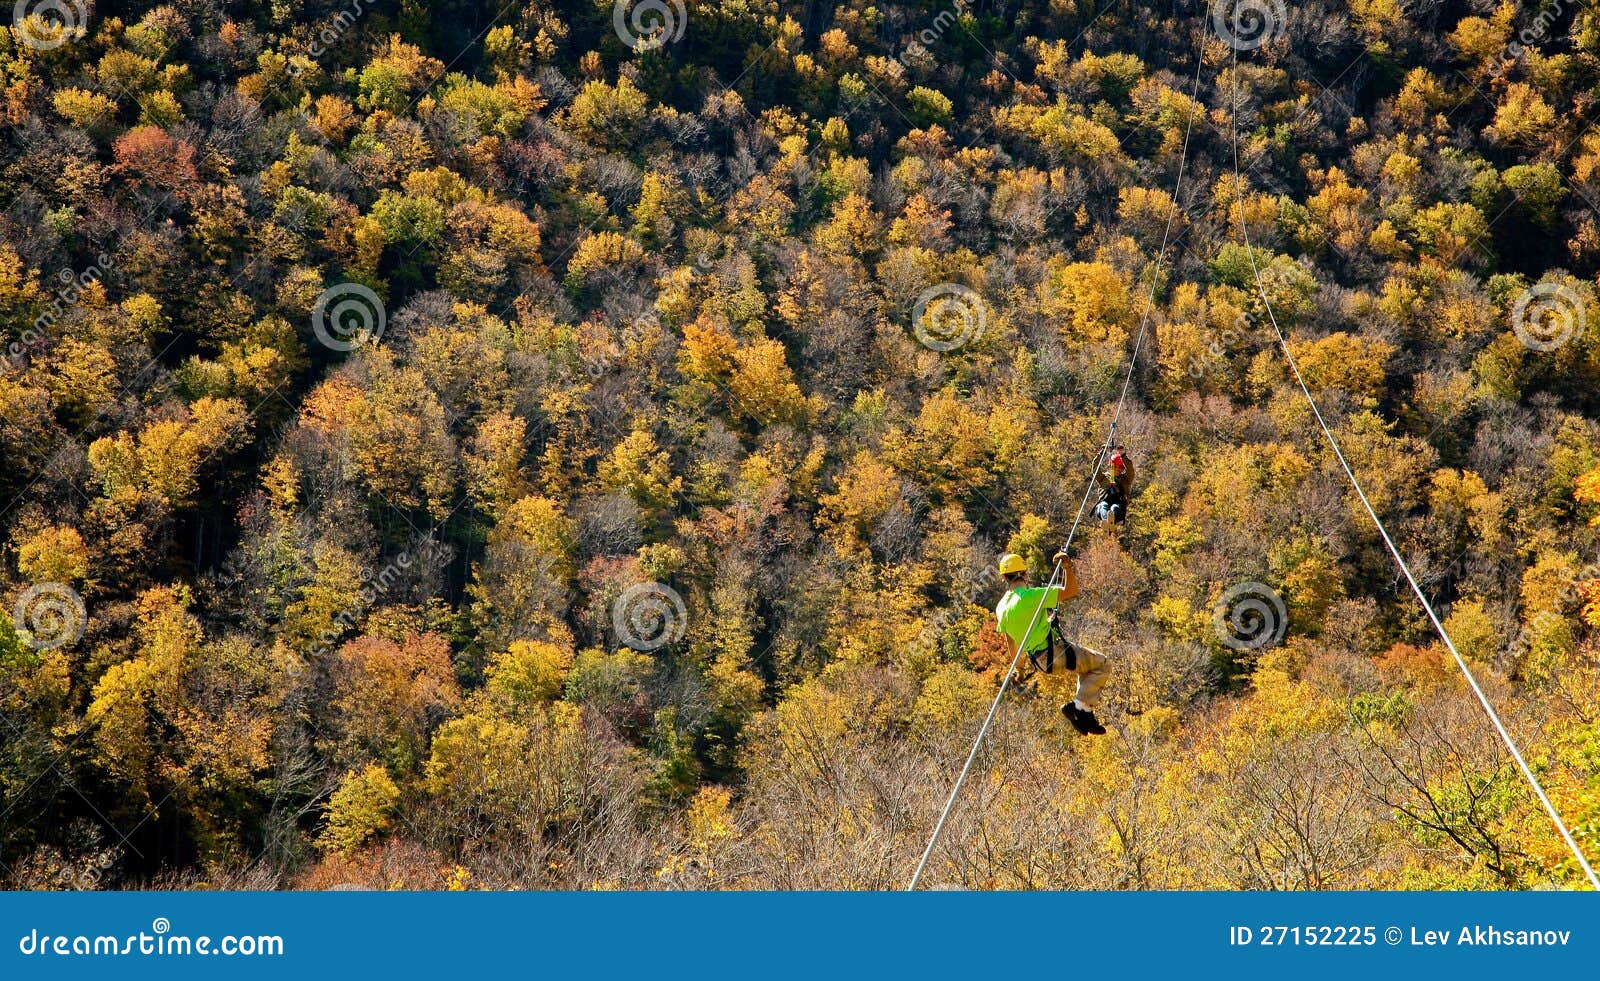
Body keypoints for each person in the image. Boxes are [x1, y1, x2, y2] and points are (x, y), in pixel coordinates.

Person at [993, 551, 1110, 736]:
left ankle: (1085, 713)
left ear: (1004, 577)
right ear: (1025, 573)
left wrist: (1020, 669)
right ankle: (1079, 707)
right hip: (1055, 653)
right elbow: (1071, 590)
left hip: (1041, 662)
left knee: (1087, 668)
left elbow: (1012, 644)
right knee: (1102, 664)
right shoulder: (1033, 596)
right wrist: (1067, 567)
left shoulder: (1001, 608)